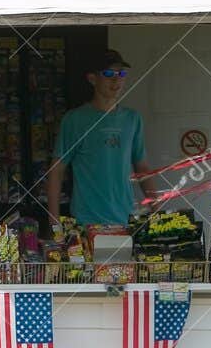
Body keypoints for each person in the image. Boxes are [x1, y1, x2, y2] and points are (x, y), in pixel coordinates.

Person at [45, 49, 159, 227]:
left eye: (121, 73)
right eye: (108, 74)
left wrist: (156, 210)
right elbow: (56, 171)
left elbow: (142, 167)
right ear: (92, 79)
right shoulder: (75, 119)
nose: (116, 79)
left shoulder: (132, 119)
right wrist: (54, 223)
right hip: (87, 222)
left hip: (126, 219)